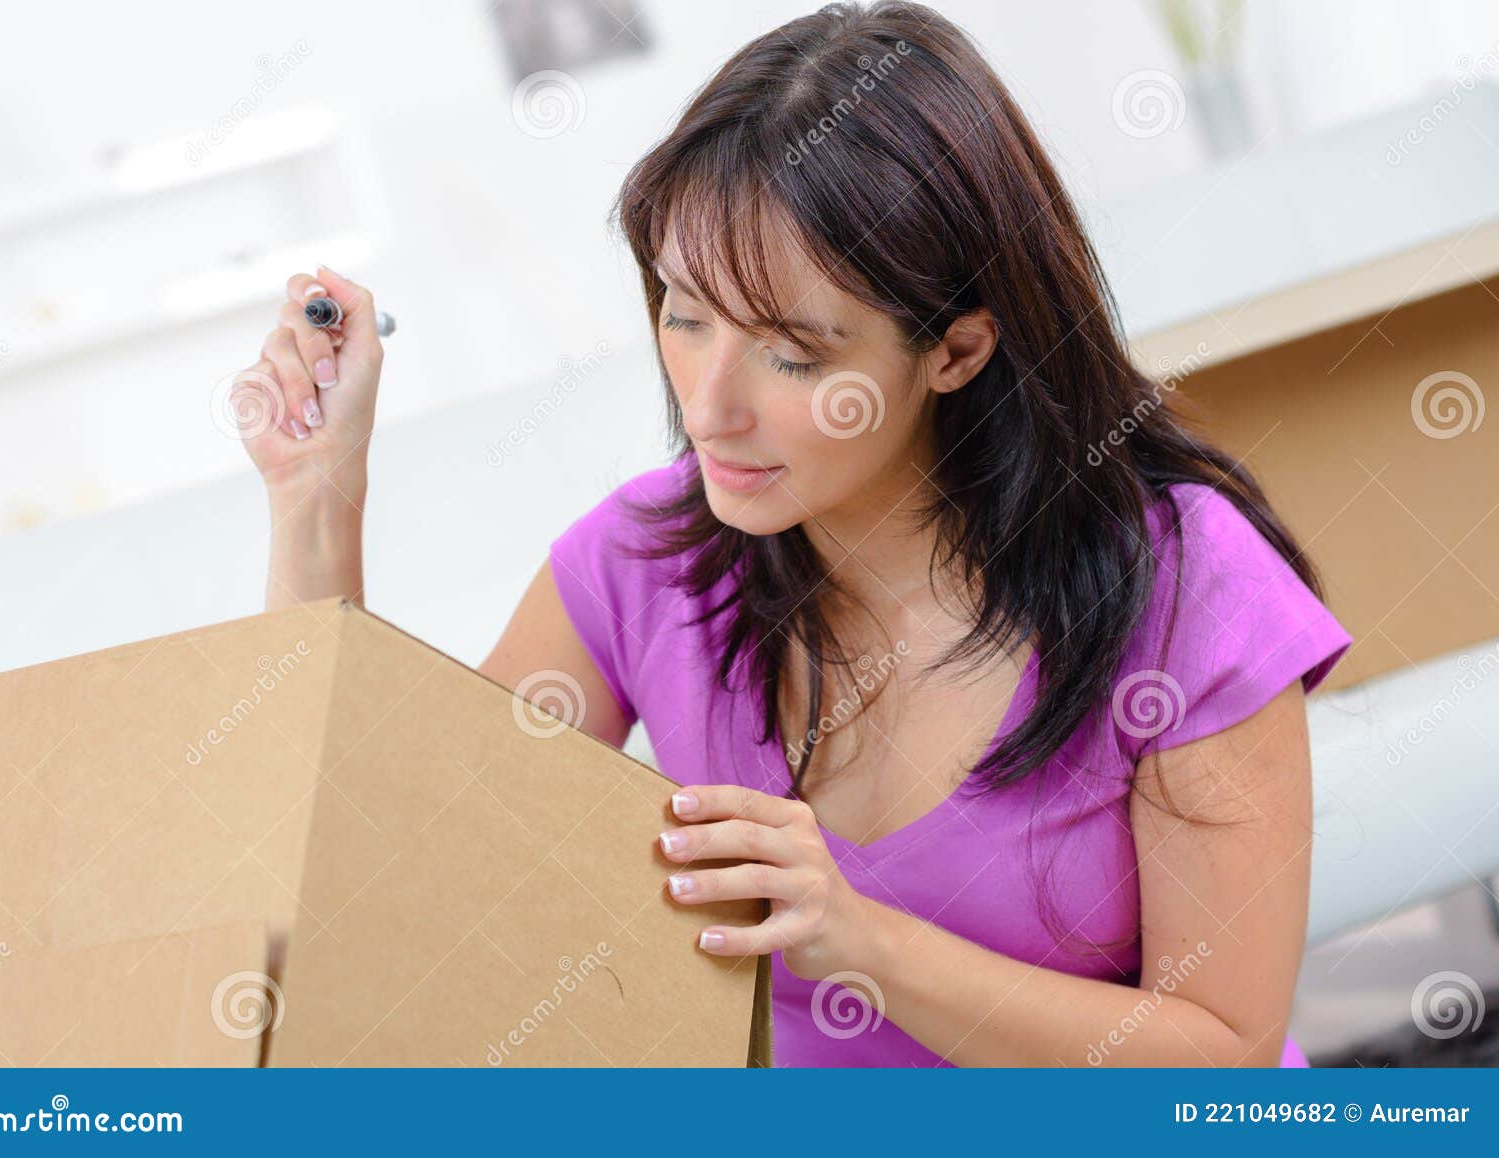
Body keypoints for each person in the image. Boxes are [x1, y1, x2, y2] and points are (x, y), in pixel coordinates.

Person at [229, 1, 1352, 1067]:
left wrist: (868, 945)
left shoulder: (1183, 584)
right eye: (683, 314)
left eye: (792, 355)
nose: (709, 407)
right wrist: (315, 500)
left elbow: (1225, 1053)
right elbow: (383, 874)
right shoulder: (644, 567)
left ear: (955, 353)